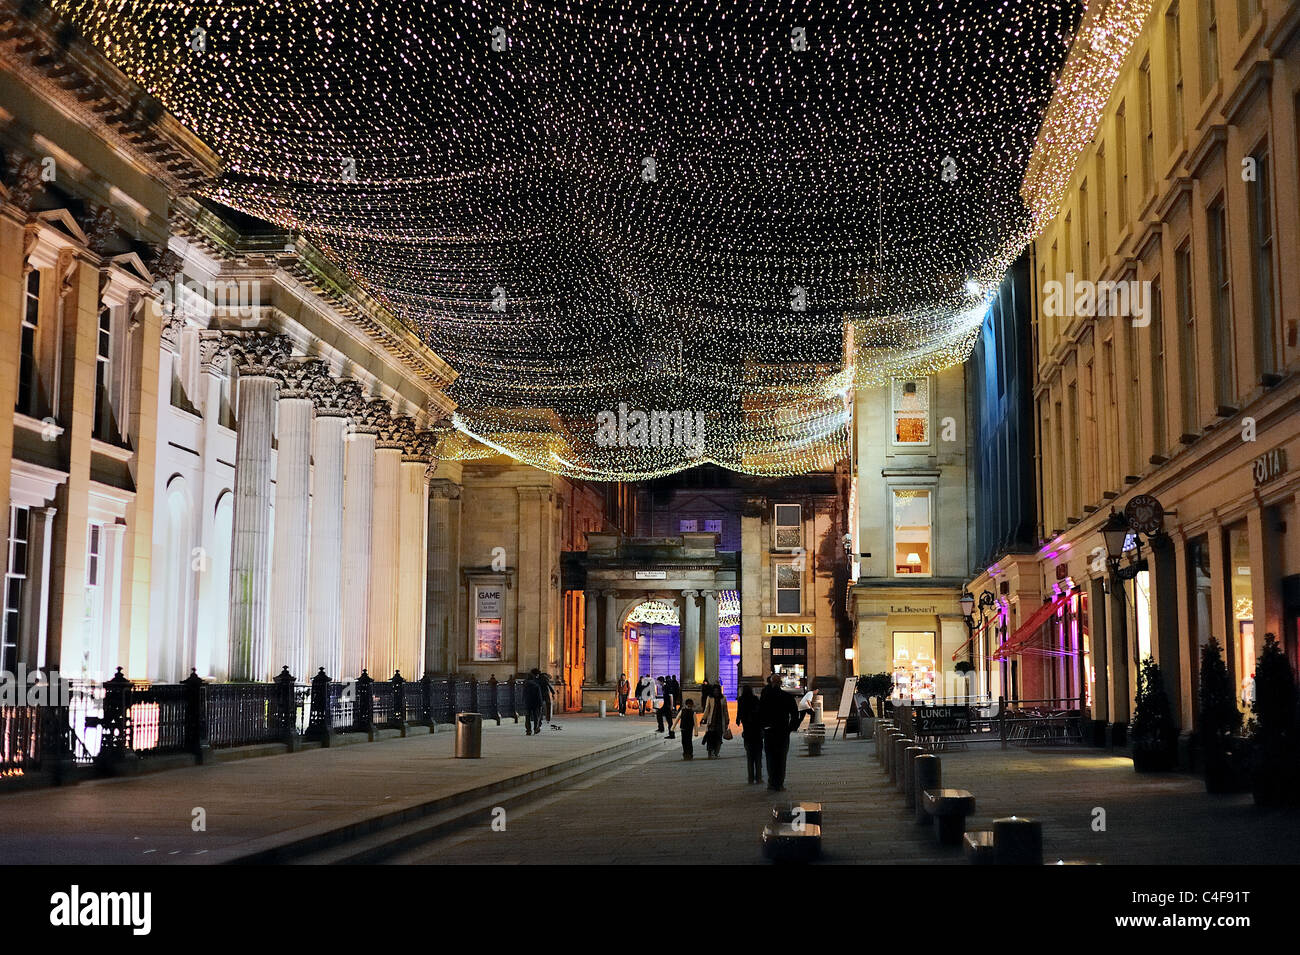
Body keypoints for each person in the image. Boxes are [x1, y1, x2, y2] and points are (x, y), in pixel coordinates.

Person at [758, 672, 799, 791]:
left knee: (770, 758)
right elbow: (795, 714)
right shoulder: (787, 697)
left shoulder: (765, 697)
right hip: (782, 731)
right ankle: (779, 783)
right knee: (781, 758)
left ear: (770, 683)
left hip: (770, 731)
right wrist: (791, 728)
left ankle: (772, 782)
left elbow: (760, 714)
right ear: (781, 683)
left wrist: (763, 727)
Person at [736, 684, 764, 784]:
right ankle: (759, 778)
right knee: (758, 756)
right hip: (756, 730)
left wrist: (738, 720)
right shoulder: (755, 699)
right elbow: (760, 713)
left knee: (750, 756)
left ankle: (750, 778)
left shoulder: (741, 699)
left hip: (747, 730)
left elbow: (739, 711)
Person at [700, 682, 729, 758]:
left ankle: (716, 752)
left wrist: (727, 719)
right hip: (712, 721)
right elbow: (707, 709)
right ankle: (710, 752)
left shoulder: (723, 698)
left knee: (718, 737)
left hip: (720, 721)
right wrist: (704, 718)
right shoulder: (710, 698)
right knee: (710, 737)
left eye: (717, 690)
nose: (716, 692)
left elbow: (725, 710)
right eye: (715, 691)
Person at [522, 669, 544, 736]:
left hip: (527, 703)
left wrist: (523, 701)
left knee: (527, 717)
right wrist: (540, 704)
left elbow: (523, 694)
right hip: (535, 703)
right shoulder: (536, 685)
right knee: (536, 716)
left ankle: (528, 730)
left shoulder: (525, 684)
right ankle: (536, 729)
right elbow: (539, 695)